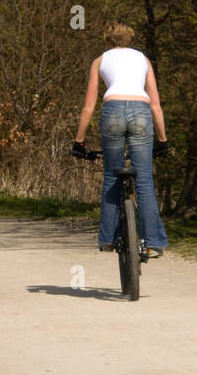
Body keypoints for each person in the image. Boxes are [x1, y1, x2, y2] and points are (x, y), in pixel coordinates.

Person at [72, 22, 169, 255]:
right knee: (144, 179)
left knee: (111, 177)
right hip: (142, 113)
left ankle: (107, 239)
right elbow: (156, 105)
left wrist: (79, 142)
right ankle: (153, 243)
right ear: (130, 40)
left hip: (112, 110)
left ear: (107, 41)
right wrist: (163, 140)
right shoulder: (143, 60)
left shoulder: (100, 61)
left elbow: (88, 107)